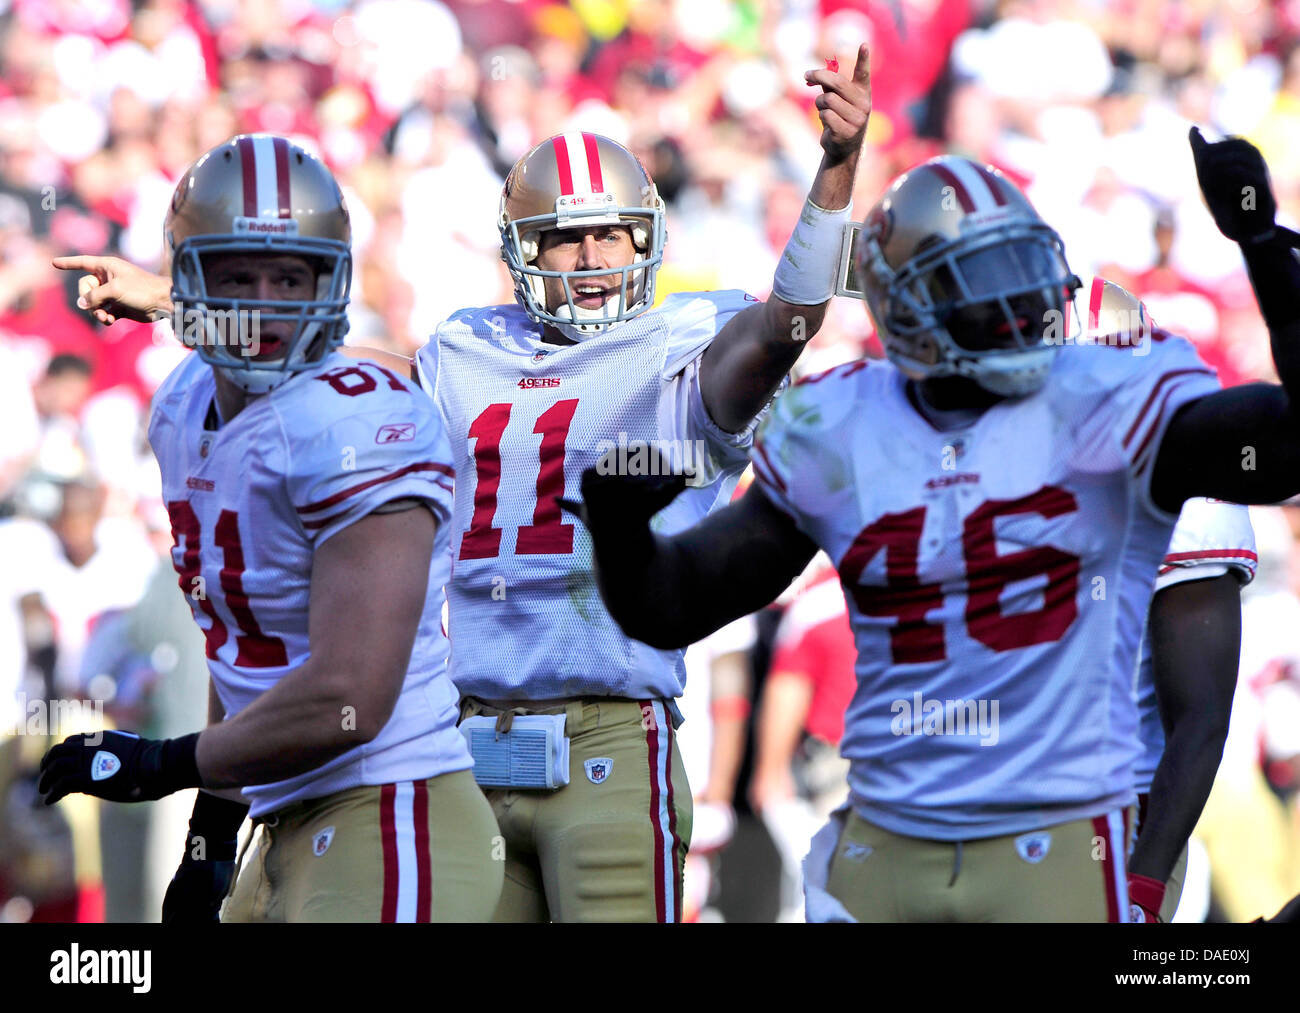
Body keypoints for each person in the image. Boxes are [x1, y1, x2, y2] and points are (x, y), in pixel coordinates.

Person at [58, 46, 875, 923]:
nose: (593, 257)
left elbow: (790, 320)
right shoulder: (465, 348)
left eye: (611, 234)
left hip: (609, 734)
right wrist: (184, 308)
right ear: (525, 251)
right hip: (467, 739)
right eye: (565, 237)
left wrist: (835, 169)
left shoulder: (684, 341)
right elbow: (323, 362)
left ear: (647, 239)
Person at [566, 130, 1300, 921]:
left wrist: (1265, 248)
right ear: (909, 305)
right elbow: (672, 605)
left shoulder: (1118, 399)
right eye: (986, 283)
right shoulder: (848, 420)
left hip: (1059, 835)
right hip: (886, 836)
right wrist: (619, 529)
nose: (1022, 307)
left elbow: (1288, 450)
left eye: (1027, 272)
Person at [39, 135, 502, 922]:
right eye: (235, 275)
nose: (262, 303)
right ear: (187, 280)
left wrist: (161, 762)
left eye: (288, 277)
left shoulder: (362, 423)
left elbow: (349, 694)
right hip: (280, 824)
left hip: (387, 810)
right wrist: (211, 834)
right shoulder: (186, 406)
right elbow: (244, 646)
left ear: (329, 280)